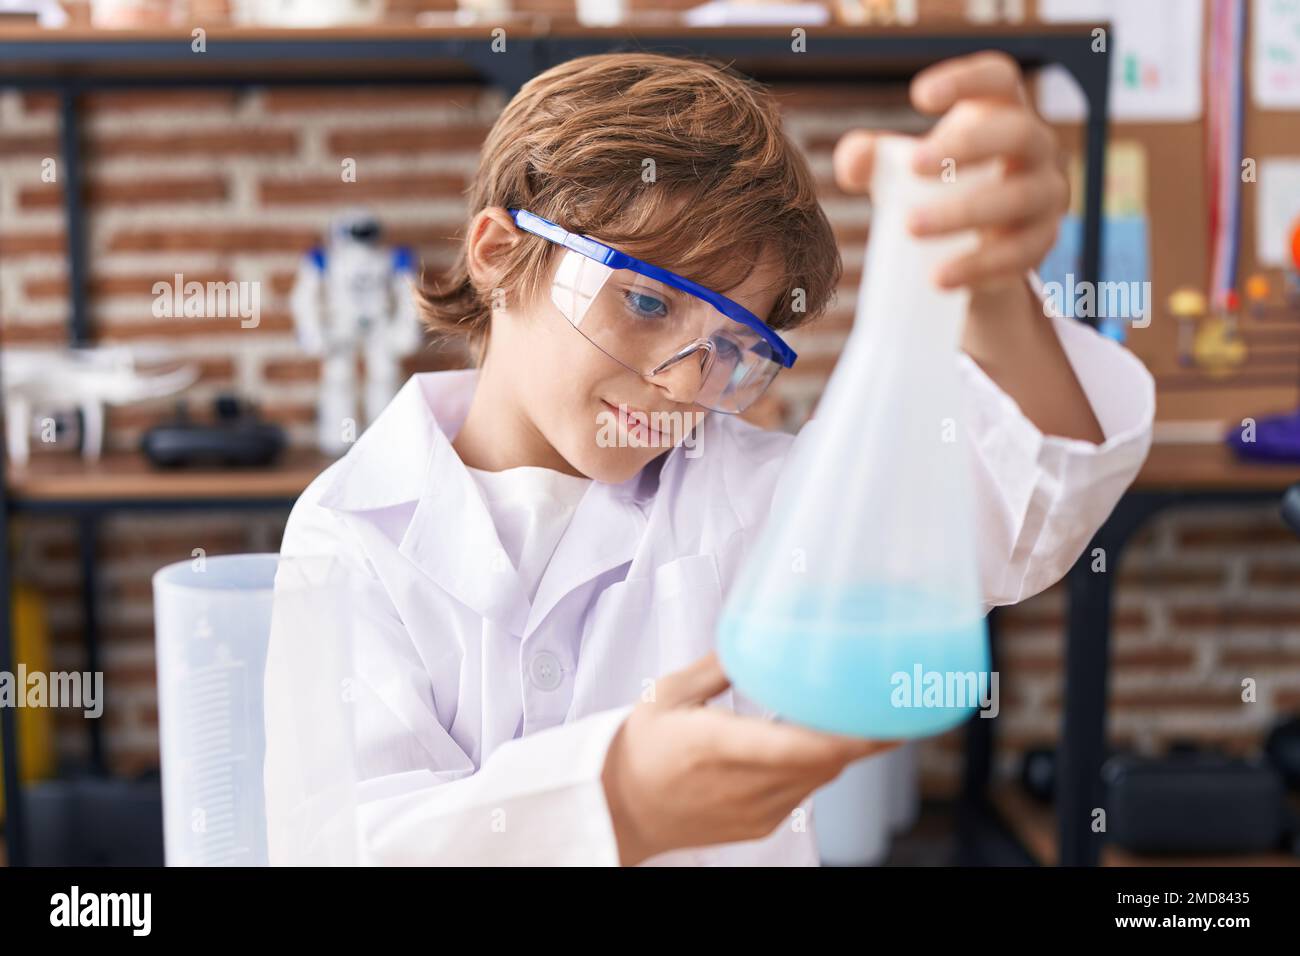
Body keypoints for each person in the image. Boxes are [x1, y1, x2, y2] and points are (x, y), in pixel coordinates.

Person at [264, 51, 1154, 866]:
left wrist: (993, 289)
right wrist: (613, 803)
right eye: (647, 304)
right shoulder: (349, 533)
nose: (687, 383)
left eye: (733, 346)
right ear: (500, 256)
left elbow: (1019, 515)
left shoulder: (757, 497)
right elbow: (345, 847)